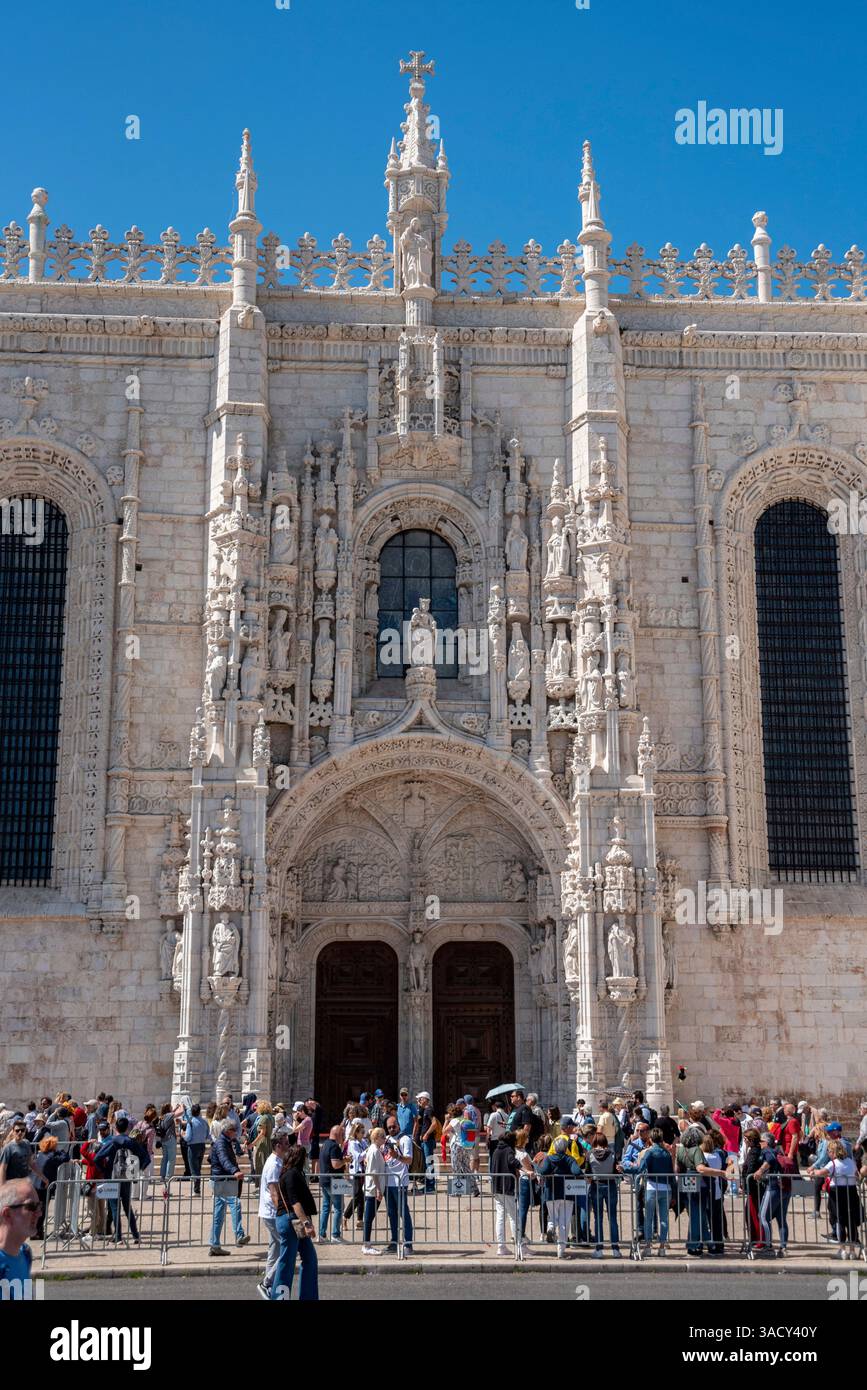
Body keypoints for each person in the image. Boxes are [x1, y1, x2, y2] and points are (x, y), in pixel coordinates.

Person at [271, 1144, 319, 1300]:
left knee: (309, 1259)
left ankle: (308, 1297)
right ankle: (279, 1297)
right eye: (305, 1157)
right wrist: (307, 1224)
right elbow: (294, 1201)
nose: (306, 1160)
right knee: (287, 1262)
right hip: (291, 1220)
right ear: (300, 1157)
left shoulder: (293, 1172)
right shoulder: (291, 1174)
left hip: (293, 1221)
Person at [806, 1139, 862, 1259]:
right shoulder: (851, 1161)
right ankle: (852, 1251)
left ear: (833, 1151)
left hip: (837, 1193)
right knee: (851, 1221)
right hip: (851, 1191)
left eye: (829, 1151)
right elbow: (857, 1175)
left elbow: (821, 1172)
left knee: (840, 1220)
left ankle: (842, 1250)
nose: (828, 1154)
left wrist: (813, 1172)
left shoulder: (833, 1163)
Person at [94, 1116, 142, 1245]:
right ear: (127, 1128)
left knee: (115, 1208)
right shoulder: (131, 1142)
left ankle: (118, 1237)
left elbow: (97, 1158)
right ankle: (135, 1235)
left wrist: (104, 1170)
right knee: (127, 1208)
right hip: (126, 1177)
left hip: (112, 1177)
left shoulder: (112, 1141)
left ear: (115, 1128)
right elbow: (143, 1158)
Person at [208, 1119, 250, 1256]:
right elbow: (223, 1159)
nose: (236, 1132)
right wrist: (234, 1171)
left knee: (219, 1215)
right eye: (233, 1129)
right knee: (235, 1204)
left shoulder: (225, 1142)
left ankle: (215, 1245)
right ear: (227, 1131)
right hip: (223, 1180)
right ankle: (239, 1236)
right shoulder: (221, 1143)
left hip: (223, 1180)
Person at [257, 1128, 290, 1299]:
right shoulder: (273, 1164)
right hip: (271, 1213)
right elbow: (274, 1192)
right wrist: (282, 1212)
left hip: (270, 1212)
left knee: (274, 1250)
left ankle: (268, 1282)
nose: (288, 1144)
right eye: (285, 1143)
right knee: (288, 1248)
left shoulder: (277, 1161)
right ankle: (267, 1282)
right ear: (277, 1145)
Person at [538, 1136, 584, 1257]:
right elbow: (577, 1172)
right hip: (567, 1193)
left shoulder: (549, 1159)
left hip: (551, 1192)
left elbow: (543, 1171)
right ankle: (560, 1251)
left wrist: (539, 1165)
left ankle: (551, 1227)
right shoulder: (570, 1159)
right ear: (565, 1148)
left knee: (553, 1216)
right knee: (565, 1222)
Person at [636, 1126, 674, 1255]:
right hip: (666, 1187)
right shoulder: (667, 1153)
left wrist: (626, 1169)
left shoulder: (650, 1152)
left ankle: (647, 1246)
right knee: (664, 1218)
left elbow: (640, 1168)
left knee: (649, 1218)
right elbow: (671, 1173)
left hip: (652, 1186)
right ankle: (662, 1246)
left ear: (651, 1139)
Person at [0, 1179, 40, 1298]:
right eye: (31, 1206)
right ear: (7, 1214)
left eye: (39, 1206)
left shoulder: (25, 1253)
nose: (39, 1213)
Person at [383, 1115, 414, 1254]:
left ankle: (408, 1244)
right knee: (391, 1214)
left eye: (393, 1126)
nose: (391, 1129)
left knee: (403, 1213)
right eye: (389, 1127)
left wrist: (397, 1156)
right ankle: (394, 1242)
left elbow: (409, 1160)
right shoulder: (387, 1139)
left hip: (400, 1181)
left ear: (399, 1125)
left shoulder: (405, 1139)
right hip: (388, 1182)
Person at [588, 1131, 621, 1257]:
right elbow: (616, 1172)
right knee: (612, 1217)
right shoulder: (612, 1154)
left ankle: (599, 1248)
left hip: (596, 1185)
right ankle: (615, 1248)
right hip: (610, 1184)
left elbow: (587, 1171)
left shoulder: (590, 1154)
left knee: (598, 1218)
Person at [491, 1130, 521, 1255]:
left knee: (500, 1217)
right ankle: (519, 1244)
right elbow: (512, 1161)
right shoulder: (509, 1150)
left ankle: (501, 1246)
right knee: (514, 1217)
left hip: (497, 1187)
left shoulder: (496, 1150)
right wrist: (521, 1167)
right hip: (507, 1186)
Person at [362, 1127, 388, 1255]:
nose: (385, 1138)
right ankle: (366, 1245)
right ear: (376, 1137)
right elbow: (373, 1172)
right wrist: (378, 1190)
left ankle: (367, 1243)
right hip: (373, 1189)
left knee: (370, 1217)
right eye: (382, 1136)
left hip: (375, 1188)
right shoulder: (374, 1151)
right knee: (369, 1217)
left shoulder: (376, 1150)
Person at [318, 1124, 346, 1242]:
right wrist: (345, 1160)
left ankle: (322, 1234)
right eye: (342, 1134)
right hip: (333, 1180)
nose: (343, 1136)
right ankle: (335, 1234)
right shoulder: (334, 1147)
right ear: (338, 1134)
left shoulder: (325, 1144)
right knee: (338, 1208)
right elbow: (335, 1165)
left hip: (324, 1180)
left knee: (325, 1207)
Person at [344, 1120, 369, 1227]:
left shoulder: (363, 1141)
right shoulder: (352, 1143)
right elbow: (358, 1157)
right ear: (356, 1132)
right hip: (356, 1171)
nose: (363, 1134)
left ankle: (359, 1219)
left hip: (364, 1170)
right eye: (362, 1132)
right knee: (358, 1195)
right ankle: (345, 1216)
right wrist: (368, 1150)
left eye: (364, 1132)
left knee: (361, 1195)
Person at [182, 1103, 209, 1195]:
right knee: (198, 1168)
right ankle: (197, 1188)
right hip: (202, 1145)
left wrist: (183, 1135)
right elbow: (207, 1134)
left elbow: (188, 1137)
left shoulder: (191, 1122)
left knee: (194, 1169)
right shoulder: (204, 1122)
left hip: (193, 1147)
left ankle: (196, 1190)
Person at [415, 1092, 438, 1192]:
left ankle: (431, 1186)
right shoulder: (424, 1110)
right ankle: (427, 1185)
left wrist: (426, 1134)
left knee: (429, 1162)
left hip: (428, 1140)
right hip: (425, 1140)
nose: (419, 1101)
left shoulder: (429, 1110)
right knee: (425, 1163)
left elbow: (434, 1124)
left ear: (425, 1099)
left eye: (420, 1099)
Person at [250, 1101, 275, 1177]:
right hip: (269, 1142)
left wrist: (252, 1144)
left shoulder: (264, 1118)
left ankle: (262, 1185)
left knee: (261, 1165)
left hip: (262, 1143)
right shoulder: (271, 1117)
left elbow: (262, 1133)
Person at [156, 1104, 177, 1189]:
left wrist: (176, 1108)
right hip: (170, 1139)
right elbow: (180, 1112)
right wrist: (182, 1106)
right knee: (171, 1159)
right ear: (168, 1109)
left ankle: (162, 1176)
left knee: (165, 1158)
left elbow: (173, 1112)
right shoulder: (169, 1116)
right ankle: (169, 1177)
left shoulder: (162, 1117)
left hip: (163, 1140)